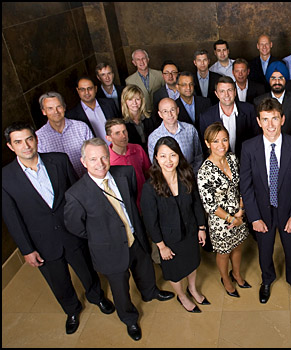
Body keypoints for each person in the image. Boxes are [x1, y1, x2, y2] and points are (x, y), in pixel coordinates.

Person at [2, 122, 115, 335]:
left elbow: (77, 194)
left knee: (86, 269)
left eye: (29, 139)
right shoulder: (6, 178)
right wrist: (27, 249)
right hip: (41, 241)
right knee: (58, 280)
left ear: (35, 139)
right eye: (18, 142)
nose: (25, 145)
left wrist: (86, 228)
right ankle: (72, 310)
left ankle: (97, 297)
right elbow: (12, 219)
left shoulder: (59, 160)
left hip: (71, 232)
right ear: (11, 146)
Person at [64, 138, 175, 341]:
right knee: (120, 289)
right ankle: (129, 318)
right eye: (93, 159)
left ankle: (150, 293)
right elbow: (75, 226)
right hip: (109, 250)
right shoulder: (76, 194)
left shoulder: (125, 174)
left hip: (136, 238)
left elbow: (132, 202)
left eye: (104, 157)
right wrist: (101, 236)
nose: (100, 163)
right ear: (83, 161)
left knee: (145, 270)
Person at [240, 98, 291, 305]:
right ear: (258, 121)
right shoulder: (249, 147)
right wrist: (253, 217)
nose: (270, 125)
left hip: (289, 210)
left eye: (274, 119)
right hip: (262, 211)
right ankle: (267, 280)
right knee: (265, 250)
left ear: (282, 119)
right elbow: (246, 186)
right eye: (265, 119)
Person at [141, 136, 208, 313]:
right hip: (169, 239)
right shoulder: (150, 187)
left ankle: (192, 289)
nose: (168, 161)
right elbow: (150, 221)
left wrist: (201, 227)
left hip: (191, 231)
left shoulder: (186, 176)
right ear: (156, 158)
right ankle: (182, 296)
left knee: (192, 263)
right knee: (175, 272)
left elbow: (196, 203)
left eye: (172, 155)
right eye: (163, 156)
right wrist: (161, 246)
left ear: (179, 156)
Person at [197, 123, 251, 298]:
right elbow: (210, 205)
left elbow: (242, 186)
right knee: (224, 252)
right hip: (221, 221)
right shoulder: (204, 171)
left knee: (238, 247)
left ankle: (236, 274)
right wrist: (231, 219)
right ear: (207, 143)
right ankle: (225, 279)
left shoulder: (233, 159)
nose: (221, 145)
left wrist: (241, 210)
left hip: (239, 214)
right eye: (215, 141)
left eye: (224, 140)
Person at [36, 91, 93, 177]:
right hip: (64, 187)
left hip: (88, 178)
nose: (56, 112)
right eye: (50, 108)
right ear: (44, 111)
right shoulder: (39, 137)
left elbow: (94, 154)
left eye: (58, 107)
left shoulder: (81, 127)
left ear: (64, 107)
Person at [199, 76, 259, 158]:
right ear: (216, 94)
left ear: (235, 92)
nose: (226, 95)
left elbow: (257, 139)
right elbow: (205, 148)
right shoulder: (206, 117)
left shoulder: (249, 110)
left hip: (247, 160)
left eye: (229, 90)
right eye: (222, 91)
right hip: (220, 164)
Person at [105, 118, 151, 212]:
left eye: (124, 131)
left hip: (147, 201)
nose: (123, 136)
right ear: (109, 138)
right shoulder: (107, 160)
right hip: (126, 208)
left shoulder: (137, 149)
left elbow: (148, 172)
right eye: (117, 133)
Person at [253, 61, 291, 140]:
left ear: (286, 79)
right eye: (273, 78)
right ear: (269, 80)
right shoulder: (258, 101)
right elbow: (257, 129)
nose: (277, 82)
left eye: (281, 78)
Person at [148, 98, 203, 173]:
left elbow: (198, 156)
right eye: (165, 111)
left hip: (191, 177)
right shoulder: (154, 137)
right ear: (160, 114)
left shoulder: (190, 130)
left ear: (178, 110)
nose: (169, 114)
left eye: (172, 110)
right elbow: (155, 165)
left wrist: (192, 175)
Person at [65, 76, 120, 141]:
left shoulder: (109, 103)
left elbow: (119, 125)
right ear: (77, 91)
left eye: (90, 88)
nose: (87, 92)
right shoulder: (72, 116)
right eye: (82, 89)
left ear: (95, 89)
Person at [125, 49, 164, 116]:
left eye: (143, 58)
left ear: (148, 60)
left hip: (161, 113)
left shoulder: (160, 75)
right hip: (142, 115)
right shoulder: (129, 81)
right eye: (138, 59)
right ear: (134, 62)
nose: (141, 62)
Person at [121, 84, 156, 153]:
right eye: (130, 100)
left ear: (142, 100)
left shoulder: (150, 117)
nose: (134, 103)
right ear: (125, 102)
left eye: (137, 99)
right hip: (135, 155)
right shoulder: (122, 123)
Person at [174, 71, 212, 136]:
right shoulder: (174, 107)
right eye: (184, 85)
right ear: (177, 87)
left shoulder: (206, 102)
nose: (188, 88)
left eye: (190, 84)